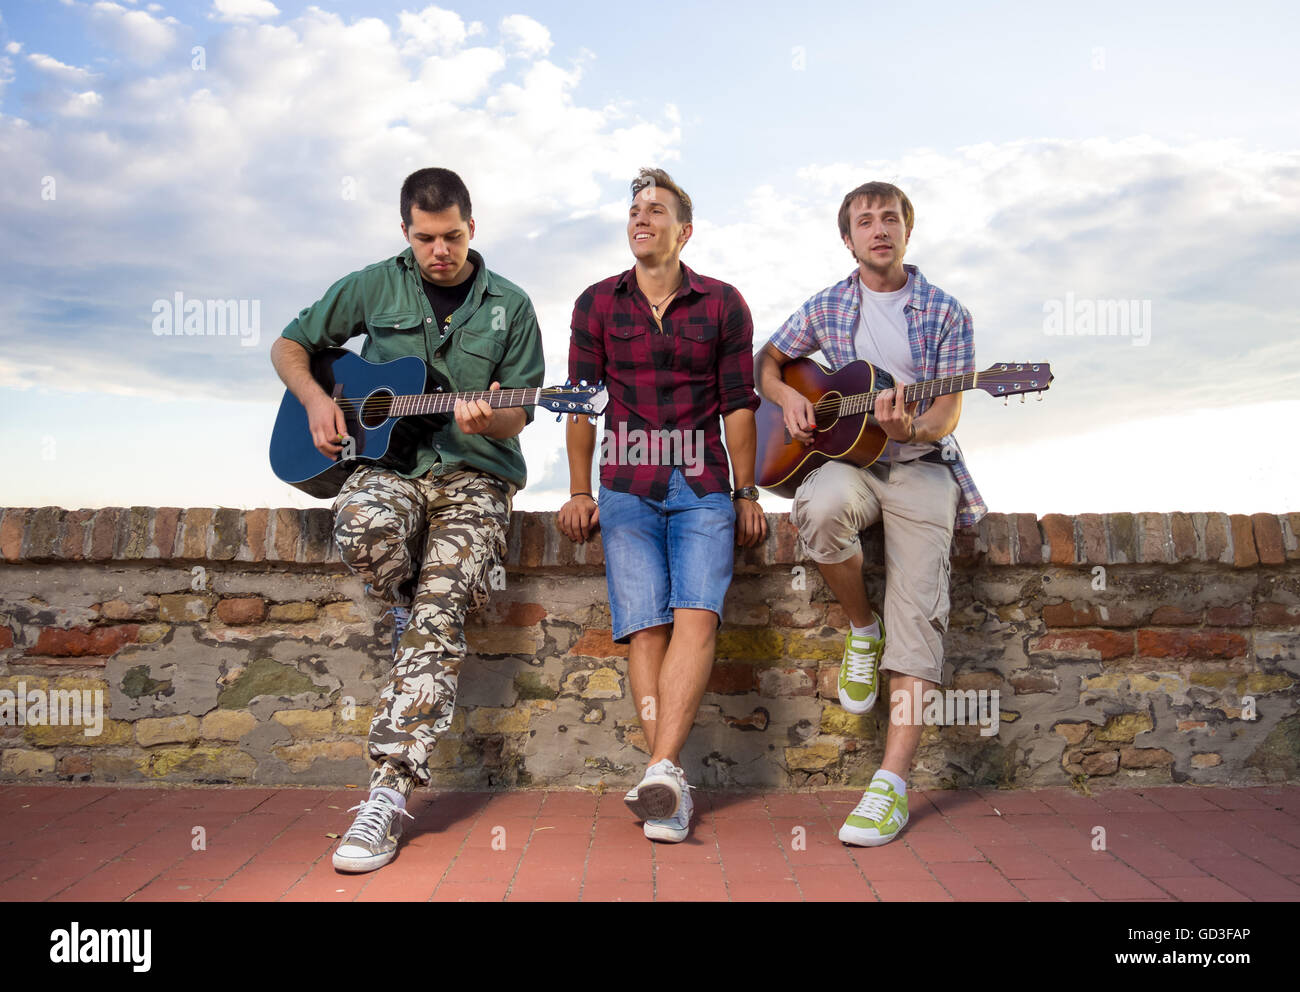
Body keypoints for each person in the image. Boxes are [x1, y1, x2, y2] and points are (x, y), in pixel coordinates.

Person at [269, 167, 545, 872]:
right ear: (406, 234)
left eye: (452, 236)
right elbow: (290, 345)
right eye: (426, 238)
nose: (440, 250)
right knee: (360, 524)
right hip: (390, 472)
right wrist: (315, 402)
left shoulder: (510, 305)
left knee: (440, 610)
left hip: (474, 479)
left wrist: (495, 414)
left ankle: (385, 798)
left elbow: (522, 412)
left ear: (472, 228)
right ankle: (407, 604)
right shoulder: (373, 284)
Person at [754, 181, 986, 847]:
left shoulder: (948, 314)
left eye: (890, 218)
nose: (878, 228)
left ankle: (889, 784)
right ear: (848, 238)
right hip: (850, 463)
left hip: (920, 469)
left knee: (918, 615)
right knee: (820, 507)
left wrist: (909, 423)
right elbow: (767, 362)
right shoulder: (829, 303)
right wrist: (790, 400)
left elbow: (944, 414)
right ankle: (862, 627)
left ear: (907, 231)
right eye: (865, 220)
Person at [558, 167, 767, 843]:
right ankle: (667, 780)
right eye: (635, 210)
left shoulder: (724, 304)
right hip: (625, 483)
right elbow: (584, 404)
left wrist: (745, 490)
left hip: (703, 482)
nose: (641, 218)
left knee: (696, 613)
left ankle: (662, 775)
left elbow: (739, 405)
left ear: (685, 230)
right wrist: (580, 489)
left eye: (656, 210)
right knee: (644, 627)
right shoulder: (596, 304)